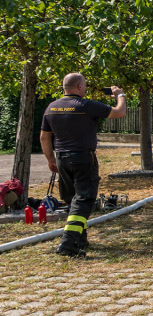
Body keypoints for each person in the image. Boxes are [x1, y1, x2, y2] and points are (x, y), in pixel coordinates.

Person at [40, 73, 127, 257]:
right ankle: (68, 243)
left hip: (62, 158)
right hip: (83, 157)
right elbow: (120, 112)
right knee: (84, 199)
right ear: (79, 86)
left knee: (72, 199)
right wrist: (120, 95)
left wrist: (50, 160)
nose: (86, 88)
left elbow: (44, 137)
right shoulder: (86, 106)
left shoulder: (51, 108)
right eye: (85, 85)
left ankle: (80, 239)